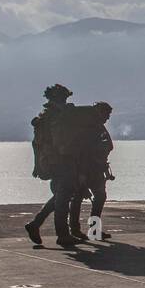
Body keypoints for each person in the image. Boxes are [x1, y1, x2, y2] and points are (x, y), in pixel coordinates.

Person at [25, 83, 76, 247]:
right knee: (63, 198)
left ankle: (36, 224)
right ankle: (63, 235)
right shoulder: (56, 117)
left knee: (60, 196)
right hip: (61, 161)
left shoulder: (44, 117)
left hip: (51, 161)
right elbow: (61, 141)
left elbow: (35, 144)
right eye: (64, 98)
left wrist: (37, 164)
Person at [70, 101, 115, 240]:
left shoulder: (98, 127)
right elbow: (83, 151)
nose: (107, 118)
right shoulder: (89, 128)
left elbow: (108, 146)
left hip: (96, 168)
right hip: (85, 168)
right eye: (106, 114)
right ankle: (76, 230)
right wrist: (81, 173)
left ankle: (93, 230)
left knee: (99, 197)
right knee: (78, 198)